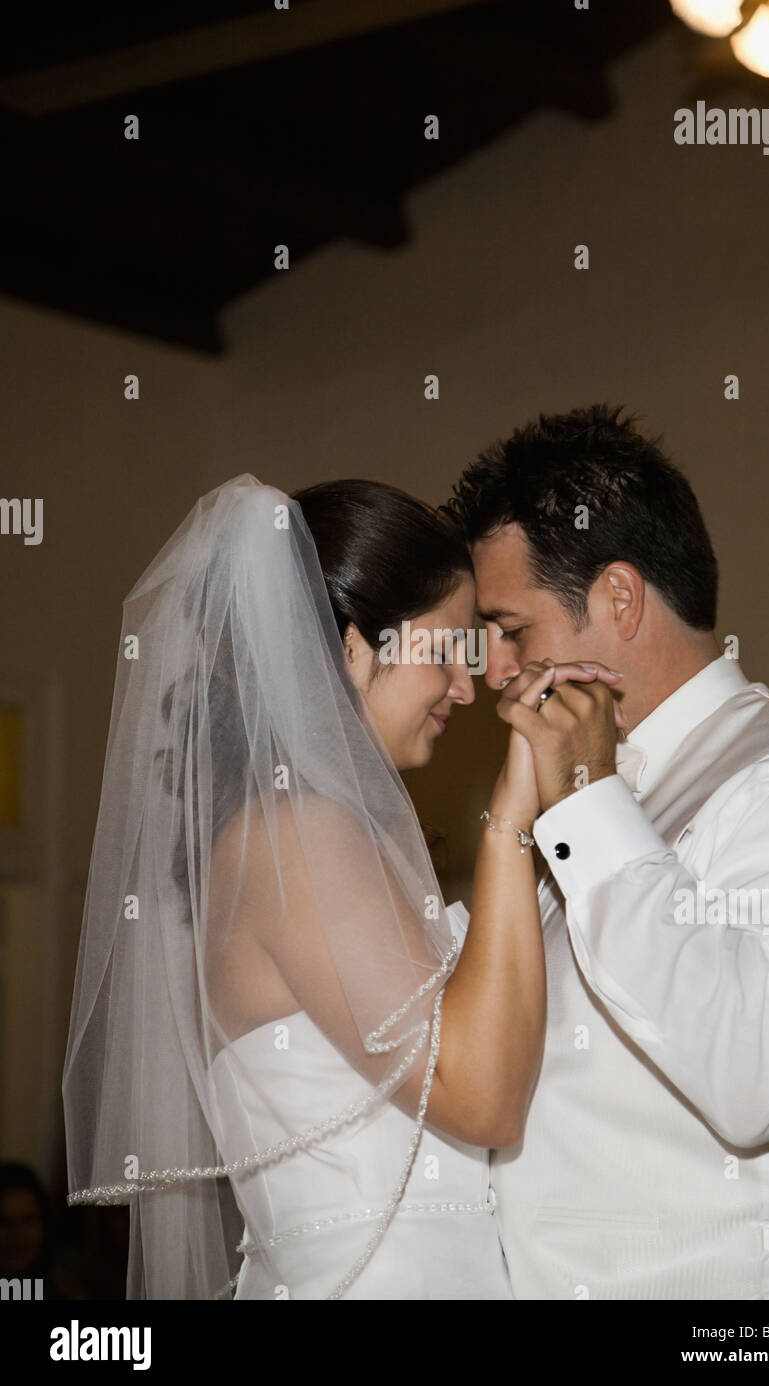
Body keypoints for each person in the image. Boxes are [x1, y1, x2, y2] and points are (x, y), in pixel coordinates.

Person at [61, 473, 609, 1301]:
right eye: (446, 649)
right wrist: (511, 821)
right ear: (351, 646)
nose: (467, 686)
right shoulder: (296, 835)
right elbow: (484, 1100)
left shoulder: (310, 834)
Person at [446, 403, 769, 1300]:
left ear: (620, 599)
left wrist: (594, 803)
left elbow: (758, 1077)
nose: (491, 669)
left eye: (513, 629)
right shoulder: (592, 794)